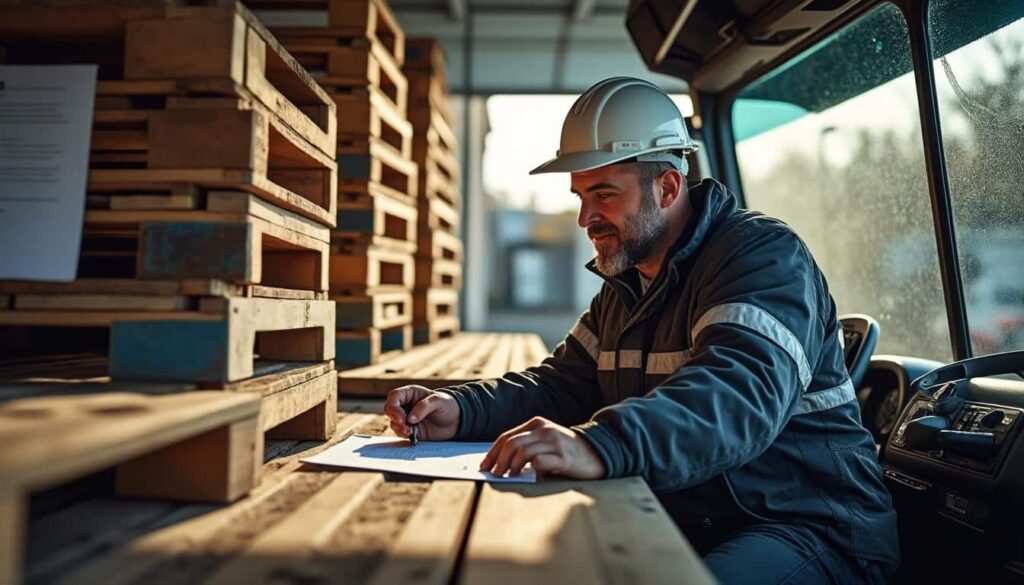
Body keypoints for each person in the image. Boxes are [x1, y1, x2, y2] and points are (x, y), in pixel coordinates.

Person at [384, 77, 899, 584]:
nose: (586, 216)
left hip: (805, 528)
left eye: (603, 194)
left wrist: (600, 445)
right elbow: (562, 387)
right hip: (694, 515)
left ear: (668, 186)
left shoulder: (762, 259)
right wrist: (461, 410)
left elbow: (734, 395)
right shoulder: (627, 283)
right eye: (580, 195)